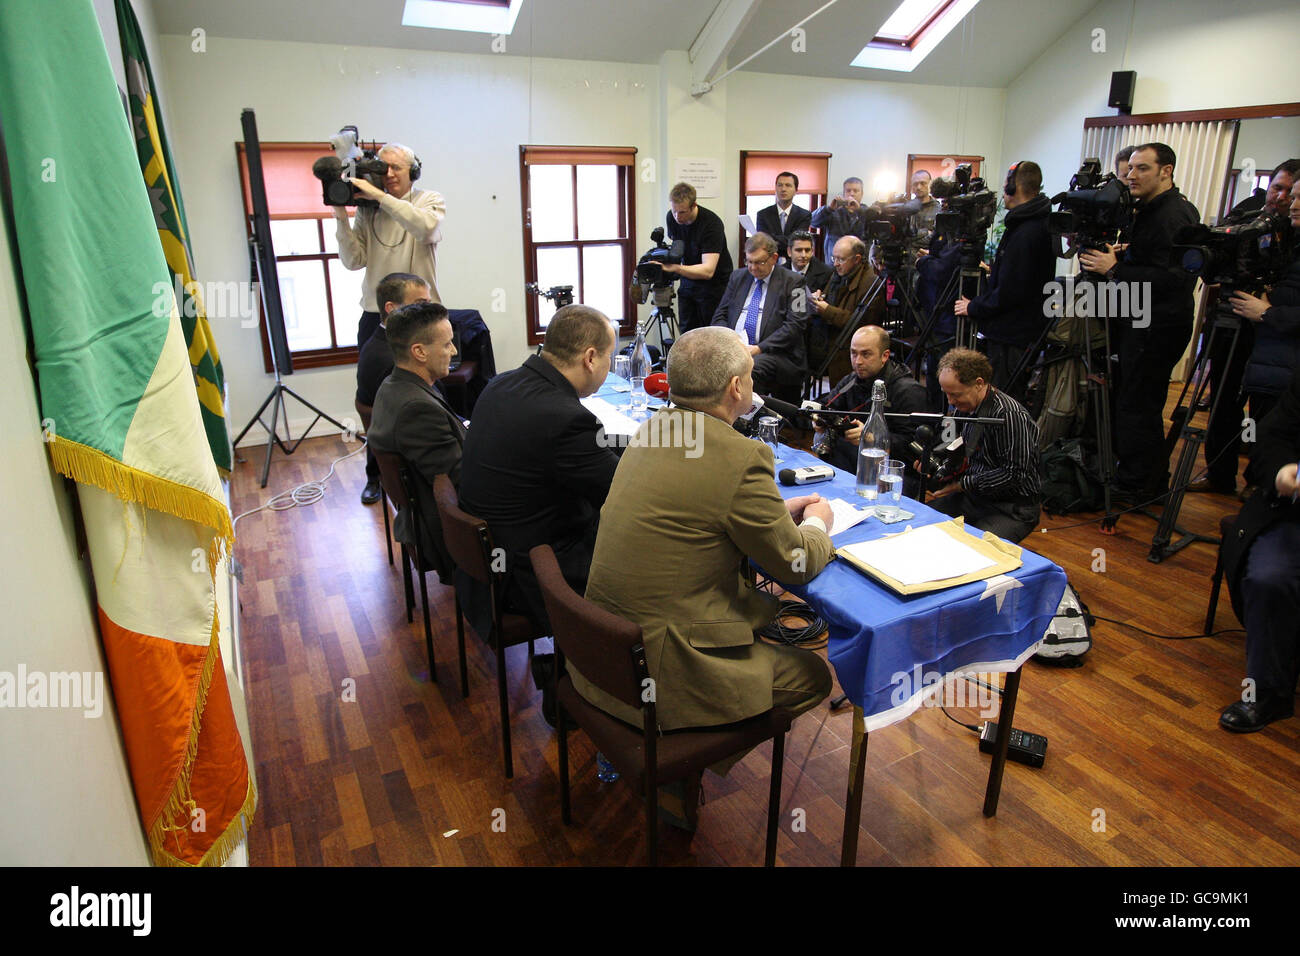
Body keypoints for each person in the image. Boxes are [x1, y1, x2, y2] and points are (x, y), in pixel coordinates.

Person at [569, 327, 835, 823]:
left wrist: (770, 513)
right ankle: (683, 762)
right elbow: (797, 564)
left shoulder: (655, 428)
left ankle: (680, 763)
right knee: (814, 675)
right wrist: (819, 524)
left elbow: (696, 508)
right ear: (736, 388)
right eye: (751, 376)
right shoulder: (740, 455)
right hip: (658, 672)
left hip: (600, 657)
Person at [458, 305, 620, 633]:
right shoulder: (564, 418)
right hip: (534, 573)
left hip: (489, 560)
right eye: (610, 357)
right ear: (590, 358)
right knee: (659, 552)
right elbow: (622, 493)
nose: (609, 366)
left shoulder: (502, 384)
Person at [1080, 142, 1200, 501]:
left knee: (1139, 405)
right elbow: (1151, 261)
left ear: (1166, 171)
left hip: (1158, 326)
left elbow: (1175, 279)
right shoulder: (1148, 210)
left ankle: (1140, 485)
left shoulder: (1174, 215)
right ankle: (1133, 474)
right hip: (1137, 321)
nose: (1132, 175)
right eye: (1130, 168)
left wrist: (1116, 268)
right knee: (1129, 401)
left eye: (1142, 168)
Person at [1195, 161, 1300, 496]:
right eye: (1280, 189)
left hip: (1276, 347)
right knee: (1224, 403)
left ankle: (1258, 483)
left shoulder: (1290, 239)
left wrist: (1269, 312)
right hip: (1235, 328)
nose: (1285, 200)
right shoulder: (1249, 217)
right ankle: (1219, 474)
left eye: (1293, 194)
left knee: (1264, 419)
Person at [1219, 368, 1300, 733]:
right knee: (1269, 576)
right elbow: (1270, 436)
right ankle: (1269, 691)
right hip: (1292, 513)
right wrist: (1284, 470)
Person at [366, 302, 464, 580]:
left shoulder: (394, 386)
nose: (454, 351)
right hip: (445, 531)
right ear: (419, 352)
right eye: (447, 345)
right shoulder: (416, 409)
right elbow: (459, 482)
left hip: (423, 512)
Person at [953, 161, 1055, 403]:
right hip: (1017, 330)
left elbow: (1011, 290)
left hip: (1012, 336)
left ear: (1014, 186)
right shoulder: (1032, 223)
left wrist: (974, 306)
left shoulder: (1027, 231)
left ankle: (1004, 441)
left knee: (1005, 401)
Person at [334, 142, 445, 354]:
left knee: (423, 381)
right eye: (383, 168)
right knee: (372, 380)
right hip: (376, 313)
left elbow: (425, 228)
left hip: (420, 313)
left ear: (413, 171)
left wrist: (380, 197)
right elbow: (353, 261)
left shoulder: (429, 199)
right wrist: (340, 214)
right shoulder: (368, 210)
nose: (389, 174)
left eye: (397, 168)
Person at [928, 348, 1042, 543]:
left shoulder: (1009, 416)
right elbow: (953, 443)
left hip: (1011, 508)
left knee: (974, 548)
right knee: (924, 524)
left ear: (979, 384)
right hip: (974, 496)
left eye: (955, 395)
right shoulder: (964, 407)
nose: (951, 402)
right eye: (946, 394)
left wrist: (963, 484)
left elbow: (1014, 473)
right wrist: (936, 463)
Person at [813, 325, 928, 496]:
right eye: (853, 353)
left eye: (866, 354)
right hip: (856, 462)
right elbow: (827, 404)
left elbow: (916, 446)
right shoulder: (852, 380)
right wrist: (819, 418)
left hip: (895, 472)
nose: (858, 361)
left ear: (885, 356)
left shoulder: (909, 392)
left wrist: (874, 439)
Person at [356, 272, 432, 505]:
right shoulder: (393, 360)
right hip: (416, 464)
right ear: (391, 308)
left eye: (428, 304)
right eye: (420, 305)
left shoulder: (381, 343)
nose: (427, 313)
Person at [710, 232, 807, 399]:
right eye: (749, 262)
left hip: (777, 353)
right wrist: (729, 341)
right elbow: (720, 314)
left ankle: (748, 418)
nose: (753, 268)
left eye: (759, 262)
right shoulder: (738, 277)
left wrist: (758, 348)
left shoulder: (795, 282)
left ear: (774, 258)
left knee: (751, 368)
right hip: (737, 347)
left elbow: (796, 325)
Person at [808, 235, 885, 384]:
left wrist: (827, 310)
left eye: (841, 259)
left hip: (849, 349)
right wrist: (820, 298)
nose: (836, 264)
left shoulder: (871, 283)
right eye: (833, 258)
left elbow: (861, 324)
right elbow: (832, 298)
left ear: (857, 259)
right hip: (830, 341)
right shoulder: (839, 275)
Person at [658, 182, 733, 333]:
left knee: (711, 334)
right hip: (688, 281)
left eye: (682, 212)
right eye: (674, 211)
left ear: (694, 205)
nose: (677, 217)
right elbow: (678, 249)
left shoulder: (712, 224)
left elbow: (708, 271)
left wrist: (676, 268)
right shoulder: (671, 218)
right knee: (687, 333)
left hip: (714, 286)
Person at [756, 171, 811, 258]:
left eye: (788, 185)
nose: (783, 189)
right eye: (780, 185)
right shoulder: (763, 214)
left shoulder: (804, 215)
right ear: (775, 188)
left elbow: (797, 242)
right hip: (769, 261)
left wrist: (773, 239)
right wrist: (788, 240)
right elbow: (764, 243)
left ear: (796, 190)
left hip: (794, 263)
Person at [811, 176, 869, 259]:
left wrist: (859, 211)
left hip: (859, 263)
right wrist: (828, 209)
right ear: (844, 193)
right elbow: (812, 222)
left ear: (862, 194)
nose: (852, 194)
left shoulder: (867, 213)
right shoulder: (834, 212)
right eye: (848, 191)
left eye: (856, 191)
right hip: (834, 262)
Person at [787, 229, 833, 294]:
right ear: (789, 252)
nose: (803, 255)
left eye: (807, 250)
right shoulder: (779, 273)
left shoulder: (826, 273)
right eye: (799, 250)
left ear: (812, 251)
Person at [909, 169, 940, 252]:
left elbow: (937, 238)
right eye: (915, 184)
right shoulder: (906, 210)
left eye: (923, 183)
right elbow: (902, 237)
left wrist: (911, 242)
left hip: (929, 259)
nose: (918, 187)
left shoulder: (939, 210)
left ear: (930, 184)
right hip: (907, 260)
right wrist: (926, 232)